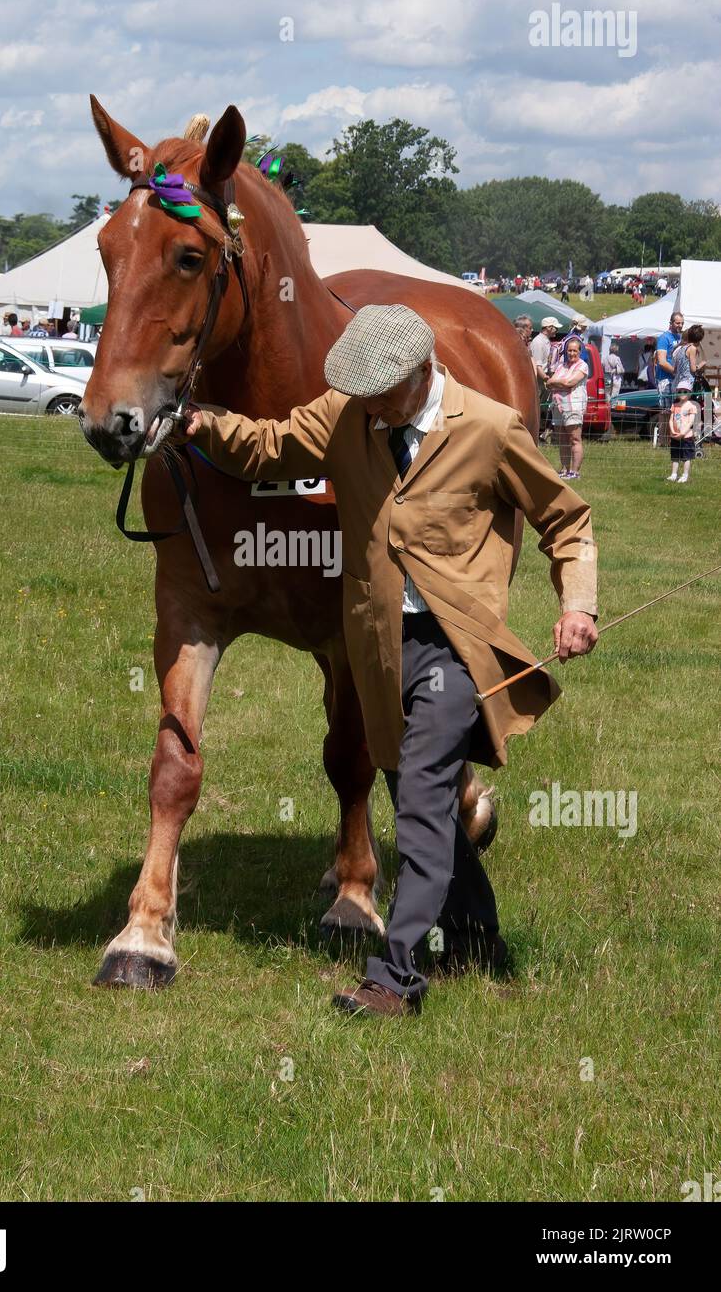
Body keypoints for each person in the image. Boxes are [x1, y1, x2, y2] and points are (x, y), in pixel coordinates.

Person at [179, 304, 599, 1017]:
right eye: (359, 392)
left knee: (421, 804)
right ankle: (476, 937)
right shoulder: (349, 416)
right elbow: (269, 446)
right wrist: (199, 423)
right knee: (419, 797)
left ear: (420, 372)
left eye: (379, 393)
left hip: (454, 647)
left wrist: (578, 604)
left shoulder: (492, 430)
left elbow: (568, 519)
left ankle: (396, 977)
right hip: (375, 648)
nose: (366, 406)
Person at [542, 335, 588, 479]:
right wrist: (560, 382)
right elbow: (548, 383)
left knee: (574, 439)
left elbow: (570, 383)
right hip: (558, 406)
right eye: (569, 351)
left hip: (573, 406)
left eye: (575, 350)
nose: (572, 353)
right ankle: (564, 469)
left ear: (580, 352)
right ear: (566, 351)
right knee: (561, 439)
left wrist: (557, 381)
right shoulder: (562, 366)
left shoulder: (582, 366)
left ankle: (575, 472)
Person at [655, 311, 684, 444]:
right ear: (671, 323)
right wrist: (675, 372)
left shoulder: (680, 337)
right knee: (665, 411)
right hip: (665, 379)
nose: (680, 325)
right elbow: (661, 361)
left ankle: (673, 439)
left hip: (676, 379)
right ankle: (663, 441)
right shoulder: (664, 338)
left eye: (682, 323)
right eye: (678, 323)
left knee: (676, 410)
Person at [668, 381, 698, 483]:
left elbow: (691, 422)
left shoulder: (691, 406)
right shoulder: (675, 405)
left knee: (686, 457)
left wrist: (682, 433)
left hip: (686, 436)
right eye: (679, 391)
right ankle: (673, 474)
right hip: (675, 435)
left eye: (685, 391)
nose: (682, 393)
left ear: (689, 393)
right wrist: (672, 431)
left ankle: (685, 475)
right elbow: (671, 419)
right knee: (675, 456)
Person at [671, 324, 705, 393]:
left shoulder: (681, 348)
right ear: (699, 339)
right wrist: (701, 364)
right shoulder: (692, 348)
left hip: (677, 385)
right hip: (687, 385)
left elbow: (674, 370)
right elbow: (693, 369)